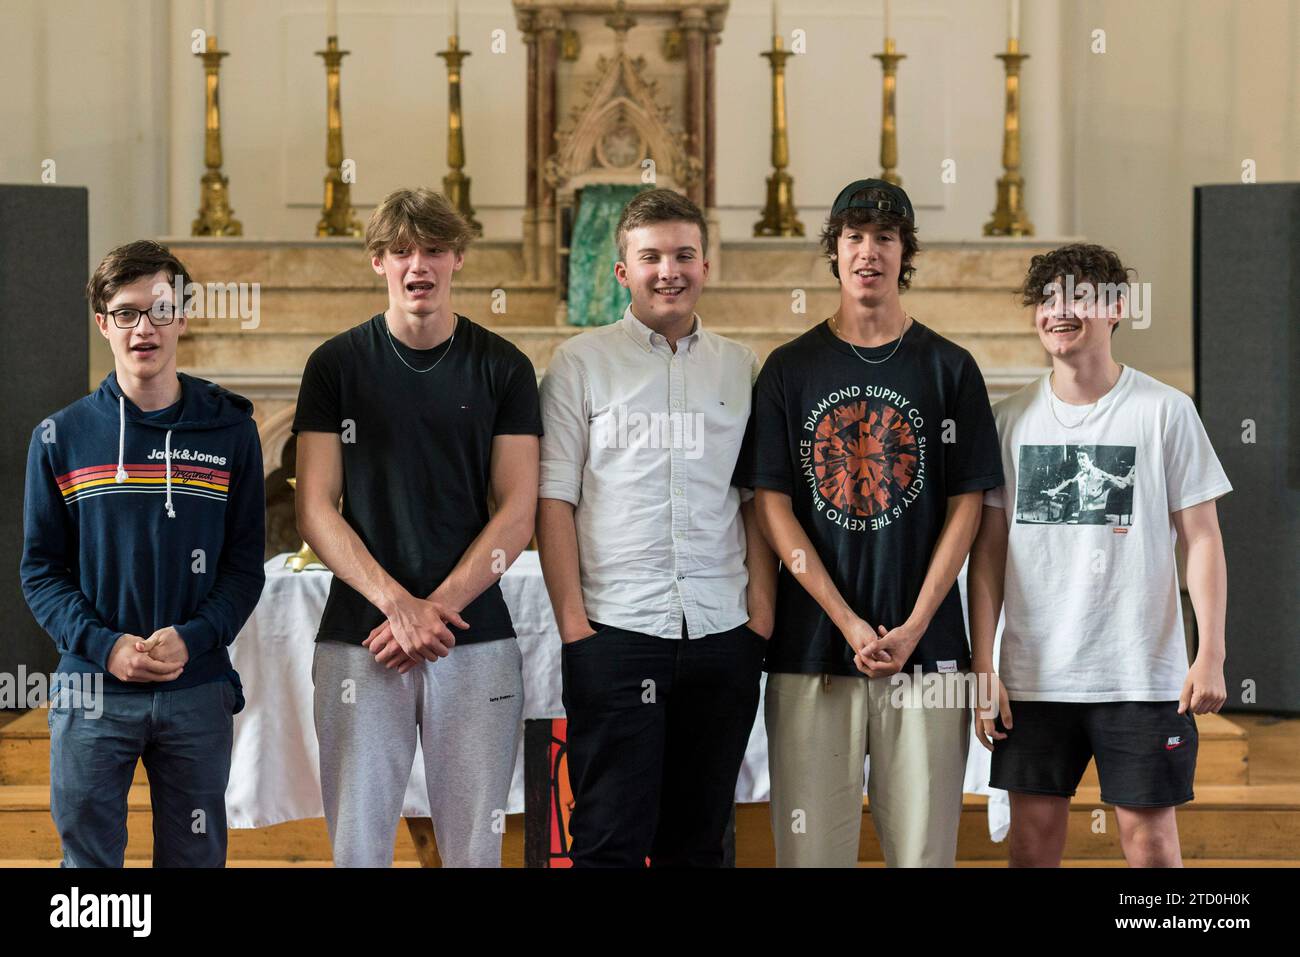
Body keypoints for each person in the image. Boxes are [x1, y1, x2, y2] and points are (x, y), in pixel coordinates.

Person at [740, 179, 1003, 867]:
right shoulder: (788, 371)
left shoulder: (951, 368)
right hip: (811, 652)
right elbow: (772, 507)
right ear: (835, 251)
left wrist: (915, 622)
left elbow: (968, 507)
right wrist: (846, 618)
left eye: (885, 238)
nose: (869, 252)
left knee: (923, 854)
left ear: (904, 254)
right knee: (810, 854)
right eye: (854, 237)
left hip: (930, 656)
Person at [292, 187, 541, 867]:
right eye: (401, 250)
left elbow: (518, 509)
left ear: (458, 257)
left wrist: (434, 611)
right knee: (360, 845)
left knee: (474, 848)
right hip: (361, 636)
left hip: (473, 635)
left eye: (433, 249)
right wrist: (399, 607)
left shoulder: (503, 367)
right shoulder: (336, 366)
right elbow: (316, 505)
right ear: (378, 261)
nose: (418, 265)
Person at [968, 242, 1232, 867]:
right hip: (1034, 675)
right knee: (1033, 842)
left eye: (1078, 297)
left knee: (1149, 840)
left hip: (1141, 673)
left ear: (1115, 310)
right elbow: (987, 557)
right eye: (1048, 299)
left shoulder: (1165, 411)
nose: (1059, 311)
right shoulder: (1008, 420)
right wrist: (984, 665)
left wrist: (1211, 653)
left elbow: (1203, 538)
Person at [536, 188, 776, 867]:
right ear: (622, 272)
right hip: (615, 632)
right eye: (650, 257)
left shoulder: (740, 365)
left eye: (683, 254)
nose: (668, 270)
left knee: (699, 844)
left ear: (706, 264)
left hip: (721, 633)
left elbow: (754, 497)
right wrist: (574, 625)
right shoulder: (579, 363)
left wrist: (759, 612)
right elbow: (555, 500)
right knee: (610, 840)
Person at [21, 239, 265, 867]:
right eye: (125, 312)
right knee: (90, 871)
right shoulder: (60, 436)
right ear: (103, 323)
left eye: (159, 309)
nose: (143, 328)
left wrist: (196, 636)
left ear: (183, 316)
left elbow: (244, 567)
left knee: (195, 859)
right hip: (92, 689)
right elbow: (41, 572)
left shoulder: (231, 429)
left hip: (198, 686)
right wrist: (107, 647)